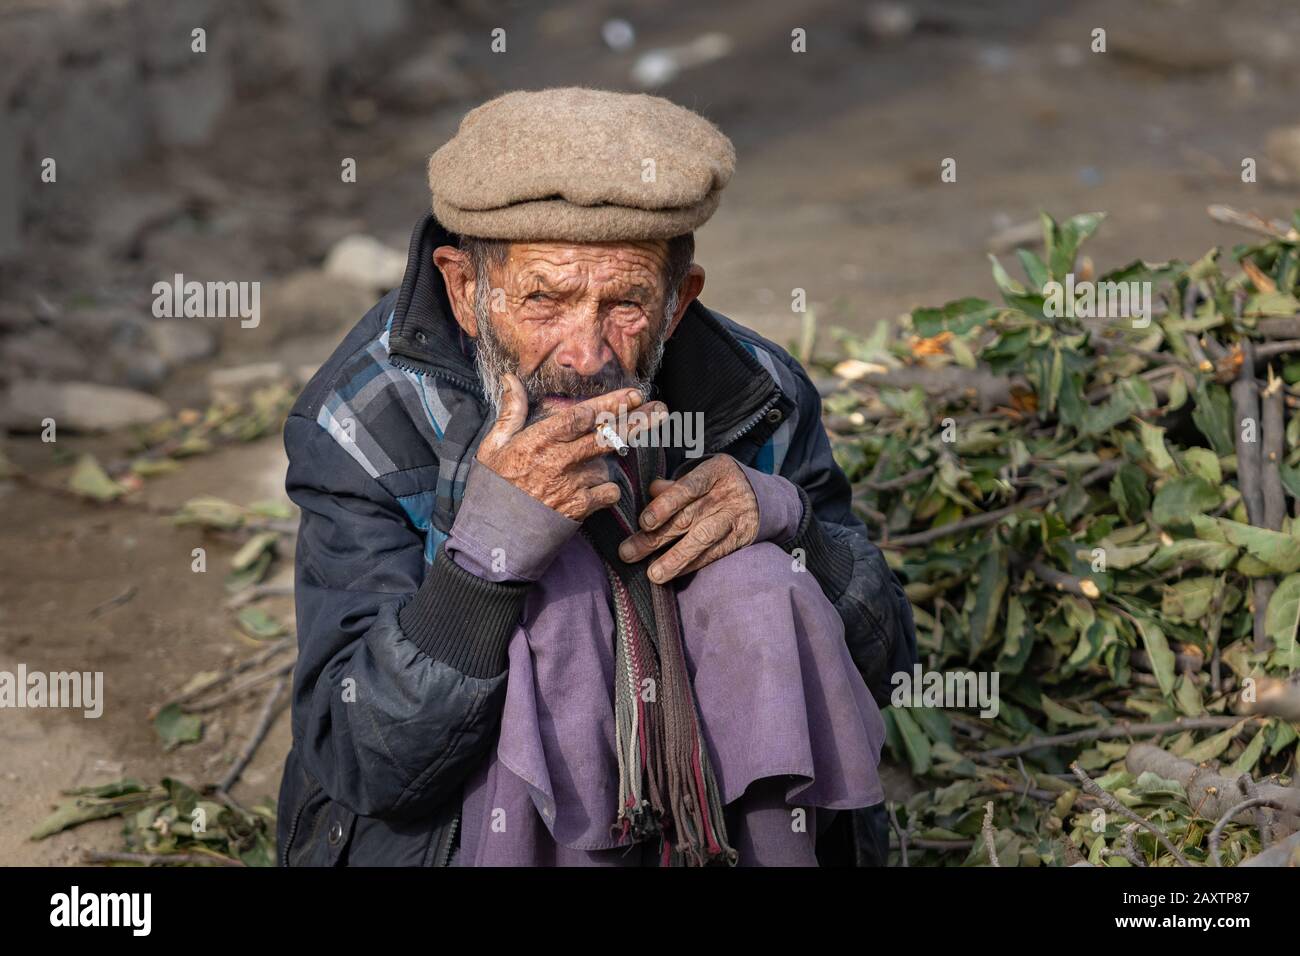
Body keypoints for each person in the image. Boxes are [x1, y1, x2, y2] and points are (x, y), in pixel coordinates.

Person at [277, 87, 916, 867]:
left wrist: (796, 525)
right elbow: (364, 760)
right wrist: (484, 561)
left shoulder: (752, 396)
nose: (586, 353)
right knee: (553, 595)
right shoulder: (366, 417)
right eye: (544, 300)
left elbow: (888, 671)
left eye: (625, 304)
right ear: (466, 290)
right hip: (462, 838)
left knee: (759, 583)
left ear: (679, 302)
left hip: (705, 823)